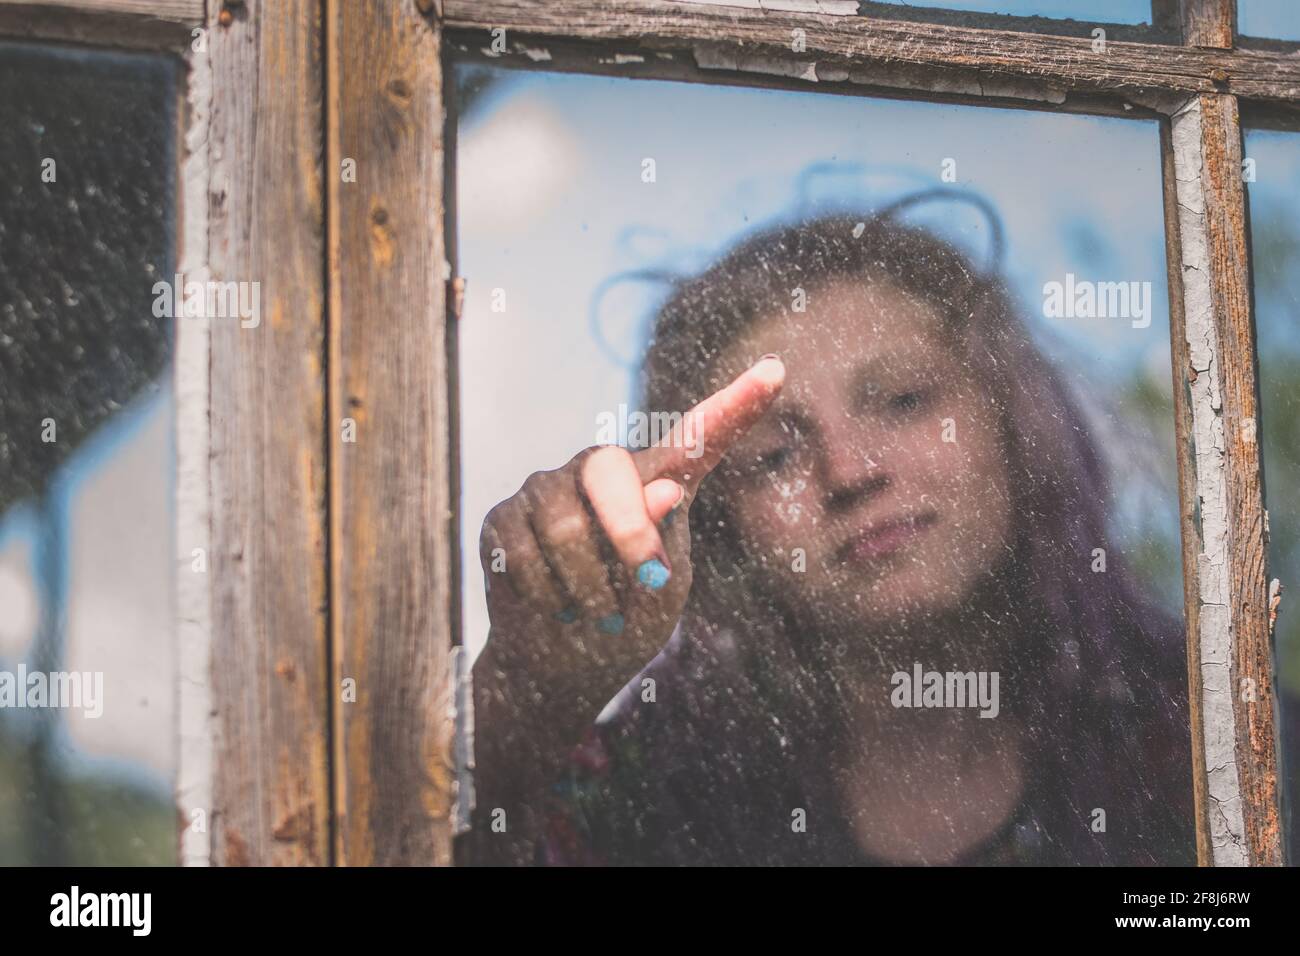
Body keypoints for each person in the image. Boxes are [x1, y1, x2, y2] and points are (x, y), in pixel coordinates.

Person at [470, 213, 1195, 866]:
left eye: (905, 400)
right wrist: (525, 700)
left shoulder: (1215, 738)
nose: (849, 472)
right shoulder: (640, 795)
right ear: (720, 528)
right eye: (772, 456)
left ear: (1011, 424)